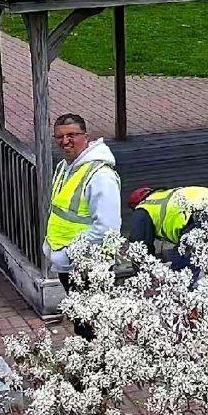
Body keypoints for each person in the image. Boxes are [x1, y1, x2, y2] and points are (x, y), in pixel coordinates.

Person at [43, 114, 121, 340]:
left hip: (88, 266)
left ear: (86, 137)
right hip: (67, 263)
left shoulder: (100, 176)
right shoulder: (65, 167)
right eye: (59, 137)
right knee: (81, 322)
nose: (65, 141)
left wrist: (69, 252)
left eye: (72, 135)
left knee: (92, 327)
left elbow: (107, 229)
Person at [127, 186, 208, 270]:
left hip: (200, 219)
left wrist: (142, 271)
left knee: (183, 274)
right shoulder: (167, 194)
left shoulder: (143, 208)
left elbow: (139, 246)